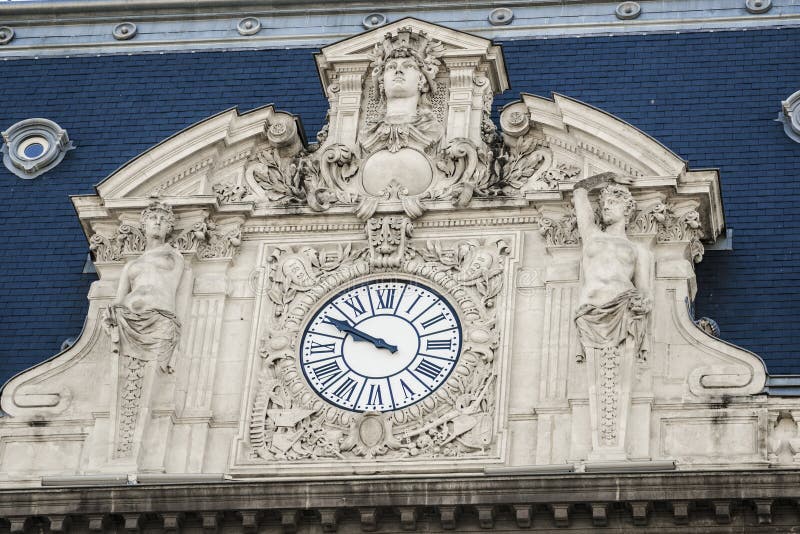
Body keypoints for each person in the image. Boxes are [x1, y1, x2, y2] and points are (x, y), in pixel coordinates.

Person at [102, 201, 184, 373]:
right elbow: (119, 299)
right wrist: (110, 313)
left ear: (169, 228)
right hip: (127, 320)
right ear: (144, 225)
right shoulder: (131, 265)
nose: (158, 222)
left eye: (163, 220)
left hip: (159, 319)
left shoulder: (173, 256)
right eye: (153, 218)